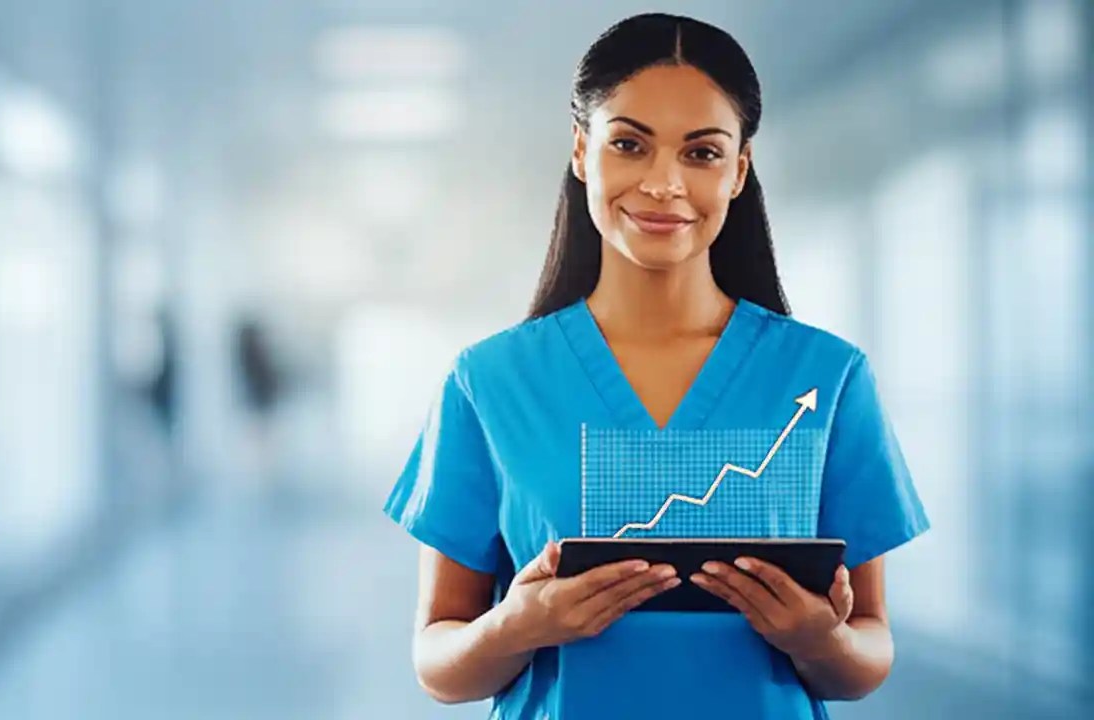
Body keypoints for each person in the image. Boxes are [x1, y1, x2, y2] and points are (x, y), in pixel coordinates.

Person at [382, 13, 929, 719]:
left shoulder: (828, 377)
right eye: (630, 144)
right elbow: (439, 665)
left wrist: (818, 640)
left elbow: (868, 652)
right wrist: (518, 626)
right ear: (583, 153)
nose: (664, 183)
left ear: (739, 171)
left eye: (701, 153)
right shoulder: (488, 383)